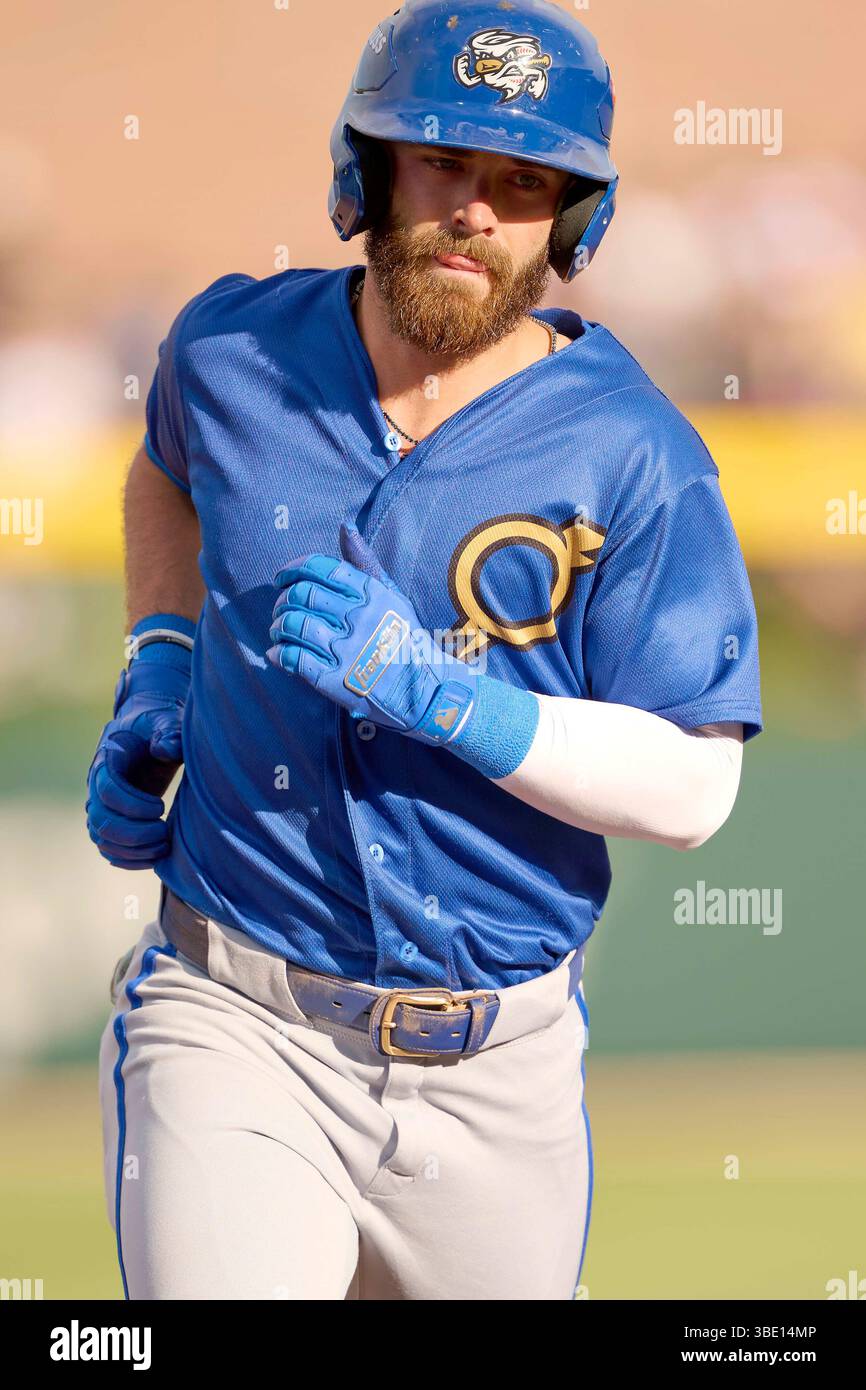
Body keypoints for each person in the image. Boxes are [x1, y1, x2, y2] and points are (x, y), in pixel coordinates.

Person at [88, 0, 762, 1300]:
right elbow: (160, 474)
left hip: (498, 1072)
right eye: (443, 161)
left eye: (521, 183)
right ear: (369, 166)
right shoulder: (229, 350)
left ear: (569, 217)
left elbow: (694, 785)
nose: (475, 211)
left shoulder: (633, 451)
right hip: (239, 1016)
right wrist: (162, 652)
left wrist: (454, 701)